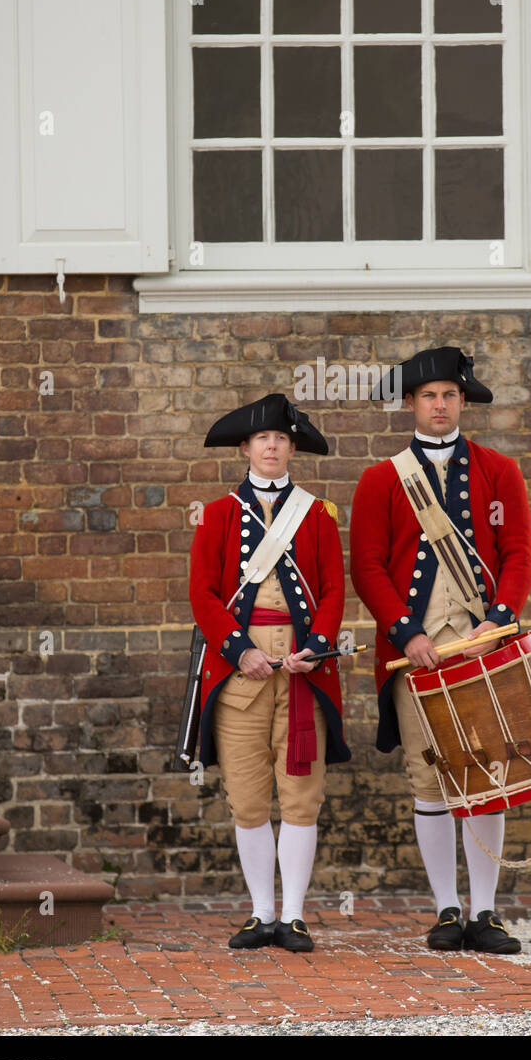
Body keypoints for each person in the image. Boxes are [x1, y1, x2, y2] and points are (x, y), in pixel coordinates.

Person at [350, 347, 531, 953]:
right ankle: (447, 910)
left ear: (463, 402)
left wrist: (499, 620)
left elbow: (518, 556)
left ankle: (485, 911)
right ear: (411, 404)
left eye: (449, 395)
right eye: (428, 396)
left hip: (482, 644)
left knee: (489, 774)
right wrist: (408, 633)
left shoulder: (499, 471)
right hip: (417, 650)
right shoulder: (381, 479)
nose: (439, 405)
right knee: (428, 780)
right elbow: (368, 567)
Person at [189, 393, 349, 952]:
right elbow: (203, 595)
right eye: (263, 439)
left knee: (302, 797)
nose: (273, 446)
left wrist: (320, 643)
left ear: (291, 448)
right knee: (249, 798)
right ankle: (261, 913)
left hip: (301, 669)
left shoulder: (319, 513)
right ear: (245, 448)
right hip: (243, 671)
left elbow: (333, 590)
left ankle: (296, 915)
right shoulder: (218, 514)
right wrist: (237, 650)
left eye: (282, 438)